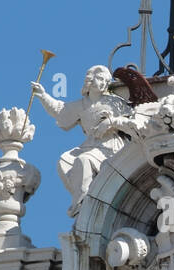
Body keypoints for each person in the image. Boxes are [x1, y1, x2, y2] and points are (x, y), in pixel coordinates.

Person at [31, 64, 134, 216]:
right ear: (90, 81)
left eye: (105, 80)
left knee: (83, 160)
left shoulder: (115, 102)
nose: (103, 82)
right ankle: (84, 198)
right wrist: (43, 95)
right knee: (65, 160)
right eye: (99, 78)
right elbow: (61, 110)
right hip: (91, 146)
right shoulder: (81, 105)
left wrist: (111, 122)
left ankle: (82, 203)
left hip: (111, 147)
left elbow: (132, 121)